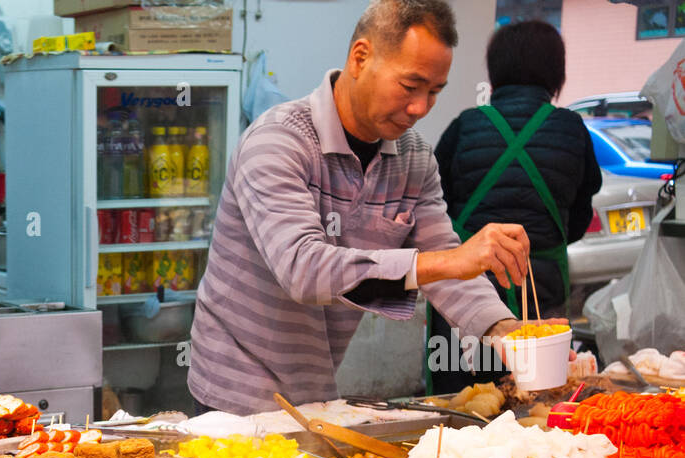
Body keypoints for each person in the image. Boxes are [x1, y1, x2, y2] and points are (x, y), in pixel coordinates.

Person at [188, 0, 530, 416]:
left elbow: (447, 264)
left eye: (434, 92)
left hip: (316, 385)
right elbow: (303, 269)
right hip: (235, 388)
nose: (421, 107)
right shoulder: (277, 141)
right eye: (410, 86)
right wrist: (449, 262)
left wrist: (508, 331)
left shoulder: (414, 159)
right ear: (360, 57)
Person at [427, 19, 600, 393]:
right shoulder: (571, 129)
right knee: (537, 398)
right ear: (556, 71)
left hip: (466, 287)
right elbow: (580, 216)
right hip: (542, 286)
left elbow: (434, 204)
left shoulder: (467, 125)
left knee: (460, 401)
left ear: (496, 69)